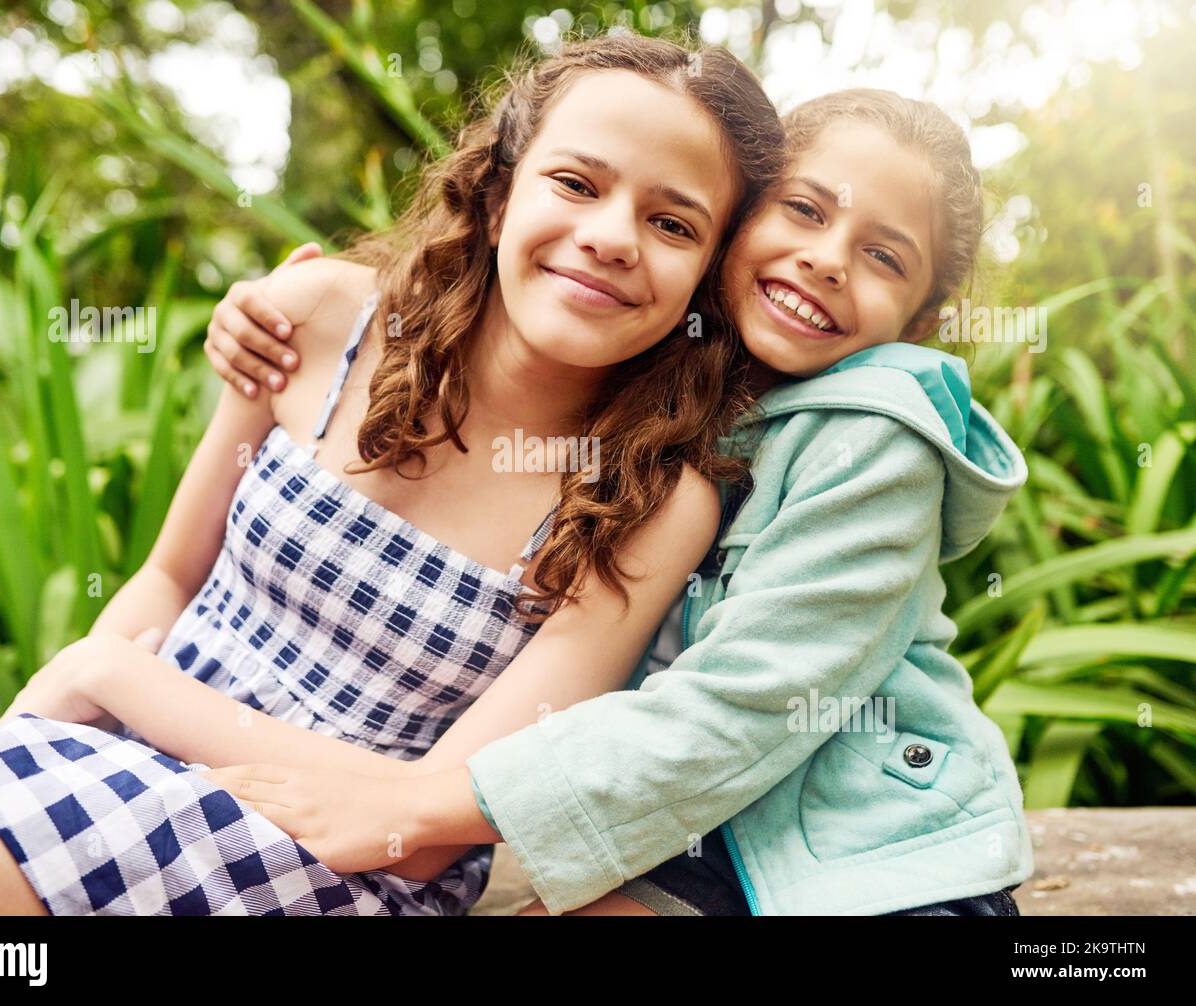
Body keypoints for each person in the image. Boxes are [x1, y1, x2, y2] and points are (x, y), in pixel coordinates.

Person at [0, 33, 785, 916]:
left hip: (329, 861)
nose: (610, 238)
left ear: (710, 273)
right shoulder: (319, 317)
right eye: (576, 183)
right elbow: (169, 577)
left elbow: (441, 816)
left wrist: (116, 679)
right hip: (108, 764)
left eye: (673, 223)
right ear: (499, 188)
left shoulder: (653, 501)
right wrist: (28, 739)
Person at [203, 88, 1035, 917]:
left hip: (871, 864)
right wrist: (274, 315)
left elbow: (741, 709)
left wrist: (413, 806)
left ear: (918, 325)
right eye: (804, 210)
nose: (827, 258)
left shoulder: (879, 444)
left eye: (884, 257)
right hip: (695, 841)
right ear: (734, 223)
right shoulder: (672, 378)